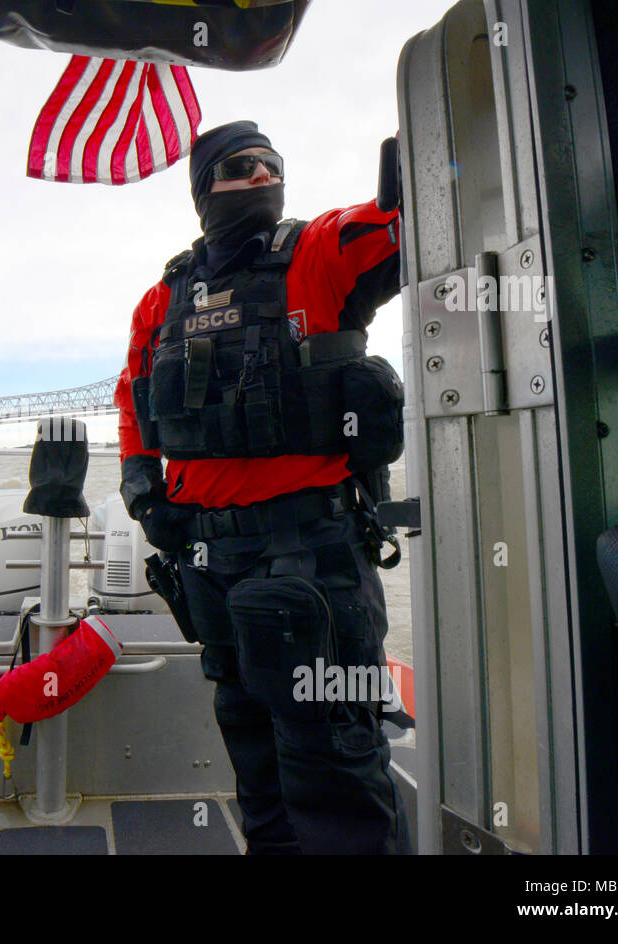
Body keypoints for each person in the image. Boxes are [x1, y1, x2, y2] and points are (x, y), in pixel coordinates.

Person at [115, 120, 409, 854]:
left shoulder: (318, 251)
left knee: (334, 759)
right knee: (252, 751)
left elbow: (405, 227)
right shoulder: (162, 300)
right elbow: (133, 401)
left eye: (271, 165)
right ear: (203, 188)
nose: (261, 177)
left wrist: (428, 157)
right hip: (210, 567)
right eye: (241, 166)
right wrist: (143, 493)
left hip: (313, 558)